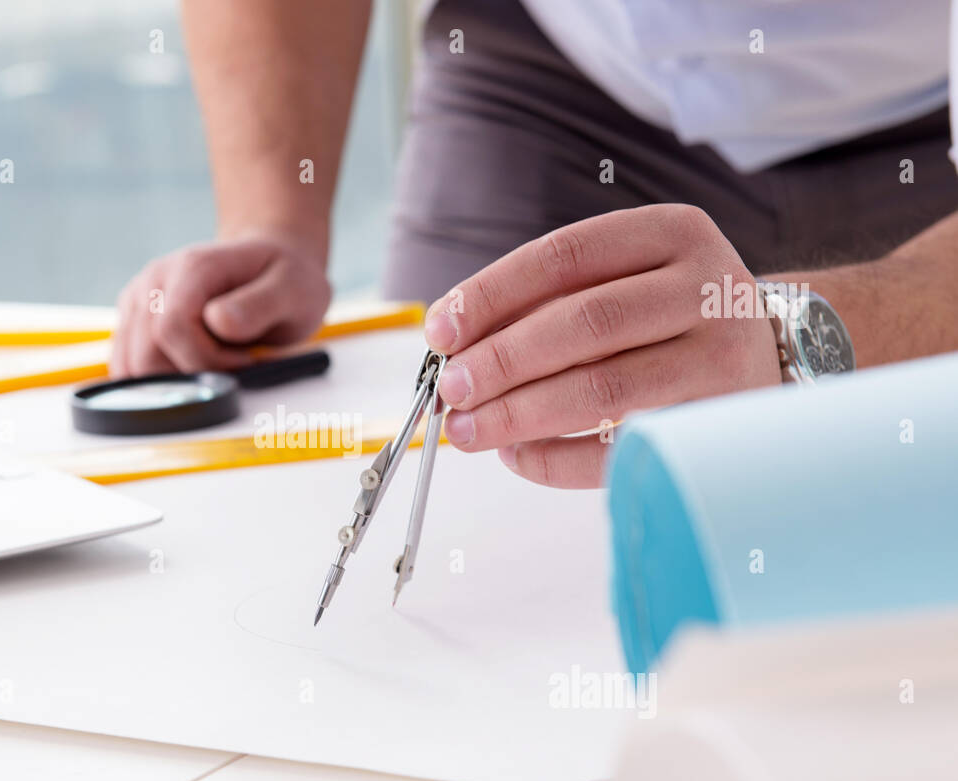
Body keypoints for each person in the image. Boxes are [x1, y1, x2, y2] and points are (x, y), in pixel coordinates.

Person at [112, 0, 958, 488]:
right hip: (550, 80)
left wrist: (792, 338)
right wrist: (277, 214)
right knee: (471, 477)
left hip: (922, 123)